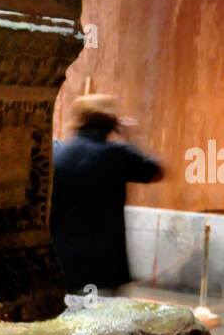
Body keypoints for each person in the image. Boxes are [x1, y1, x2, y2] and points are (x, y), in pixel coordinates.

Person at [51, 94, 163, 293]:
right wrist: (130, 138)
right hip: (106, 264)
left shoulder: (59, 154)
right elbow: (154, 171)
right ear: (111, 124)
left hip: (65, 262)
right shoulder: (118, 155)